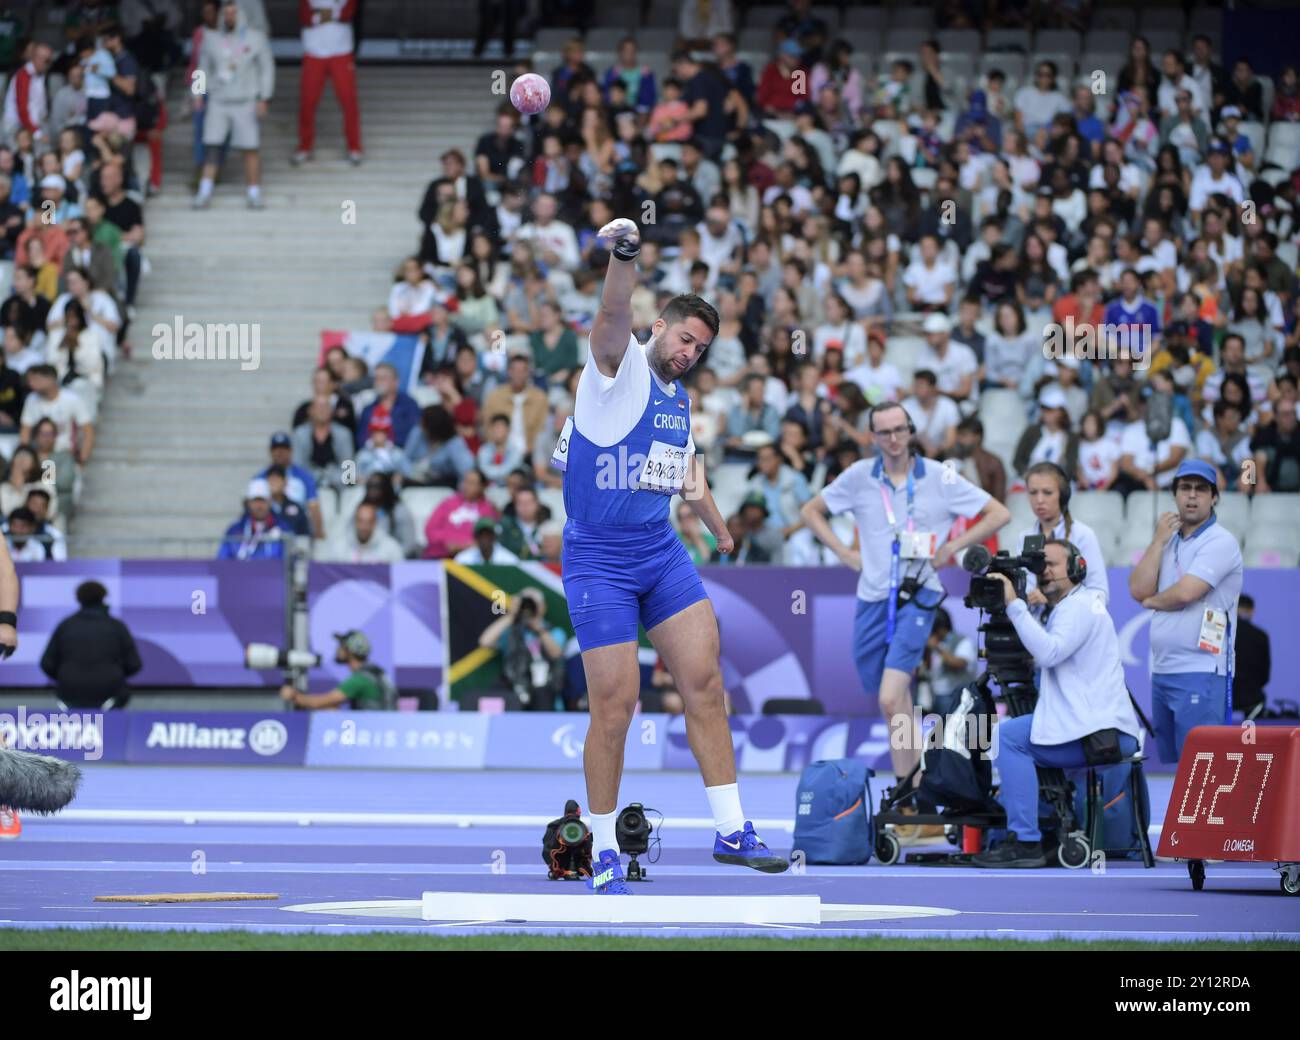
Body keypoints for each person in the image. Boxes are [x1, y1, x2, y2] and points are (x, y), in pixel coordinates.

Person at [556, 215, 786, 894]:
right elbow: (612, 308)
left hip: (659, 551)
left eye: (702, 348)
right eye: (685, 338)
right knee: (616, 706)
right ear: (660, 327)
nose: (691, 353)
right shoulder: (614, 371)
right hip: (597, 557)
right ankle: (599, 848)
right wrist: (625, 253)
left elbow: (689, 479)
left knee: (706, 685)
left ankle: (732, 829)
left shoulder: (680, 403)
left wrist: (719, 530)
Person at [800, 401, 1011, 798]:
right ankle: (916, 792)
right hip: (873, 597)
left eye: (900, 430)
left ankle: (907, 791)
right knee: (896, 702)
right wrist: (846, 553)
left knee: (889, 696)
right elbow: (811, 510)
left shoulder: (940, 477)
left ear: (911, 430)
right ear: (872, 437)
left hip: (921, 593)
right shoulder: (859, 476)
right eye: (885, 432)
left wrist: (953, 547)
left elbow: (997, 513)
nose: (894, 439)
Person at [972, 539, 1142, 867]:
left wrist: (1014, 605)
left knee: (1008, 739)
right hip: (1099, 727)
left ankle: (1026, 843)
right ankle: (1043, 833)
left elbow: (1049, 653)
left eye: (1053, 564)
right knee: (1020, 735)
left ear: (1077, 568)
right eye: (1041, 566)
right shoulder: (1077, 605)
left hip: (1101, 735)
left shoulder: (1077, 607)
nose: (1045, 571)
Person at [1128, 460, 1243, 764]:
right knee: (1169, 769)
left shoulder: (1221, 541)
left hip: (1203, 670)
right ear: (1175, 495)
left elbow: (1187, 592)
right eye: (1185, 488)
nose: (1192, 496)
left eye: (1201, 489)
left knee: (1202, 771)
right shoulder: (1166, 540)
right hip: (1163, 671)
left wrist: (1152, 602)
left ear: (1214, 497)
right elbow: (1138, 589)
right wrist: (1156, 541)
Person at [192, 0, 275, 210]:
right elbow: (202, 68)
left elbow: (267, 69)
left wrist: (264, 97)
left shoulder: (256, 38)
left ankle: (254, 192)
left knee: (250, 147)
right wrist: (198, 93)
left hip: (245, 100)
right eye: (226, 13)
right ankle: (204, 191)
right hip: (219, 101)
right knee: (212, 145)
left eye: (233, 13)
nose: (229, 17)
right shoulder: (211, 39)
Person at [38, 580, 141, 710]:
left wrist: (65, 676)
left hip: (68, 694)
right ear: (104, 598)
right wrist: (115, 674)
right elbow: (134, 664)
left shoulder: (65, 626)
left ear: (78, 599)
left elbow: (47, 663)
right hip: (111, 694)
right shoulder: (117, 626)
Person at [1018, 462, 1109, 604]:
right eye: (1033, 492)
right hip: (1034, 622)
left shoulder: (1083, 535)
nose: (1039, 500)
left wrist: (1060, 604)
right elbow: (1024, 587)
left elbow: (1100, 593)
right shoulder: (1024, 537)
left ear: (1063, 495)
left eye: (1047, 492)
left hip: (1073, 621)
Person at [293, 0, 362, 166]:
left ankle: (354, 147)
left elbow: (347, 13)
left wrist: (321, 14)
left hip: (341, 51)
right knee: (307, 102)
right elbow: (305, 17)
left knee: (348, 100)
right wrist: (331, 14)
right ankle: (305, 147)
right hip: (314, 52)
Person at [476, 587, 565, 710]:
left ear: (543, 607)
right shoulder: (512, 632)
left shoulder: (554, 632)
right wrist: (511, 615)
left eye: (533, 604)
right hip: (515, 693)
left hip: (544, 697)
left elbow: (556, 653)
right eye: (525, 603)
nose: (528, 607)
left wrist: (538, 628)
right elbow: (485, 641)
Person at [280, 629, 396, 709]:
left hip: (370, 730)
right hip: (380, 729)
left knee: (329, 710)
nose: (338, 650)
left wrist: (294, 696)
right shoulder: (376, 673)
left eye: (341, 646)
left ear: (349, 651)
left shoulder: (360, 680)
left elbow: (318, 703)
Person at [217, 478, 290, 560]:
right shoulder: (235, 530)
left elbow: (289, 560)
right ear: (248, 503)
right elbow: (223, 560)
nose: (259, 506)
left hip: (273, 572)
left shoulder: (283, 529)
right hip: (240, 572)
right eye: (255, 501)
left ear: (270, 502)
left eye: (263, 500)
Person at [1233, 593, 1270, 718]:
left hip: (1225, 694)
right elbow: (1265, 676)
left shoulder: (1224, 633)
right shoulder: (1261, 636)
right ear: (1252, 611)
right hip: (1252, 697)